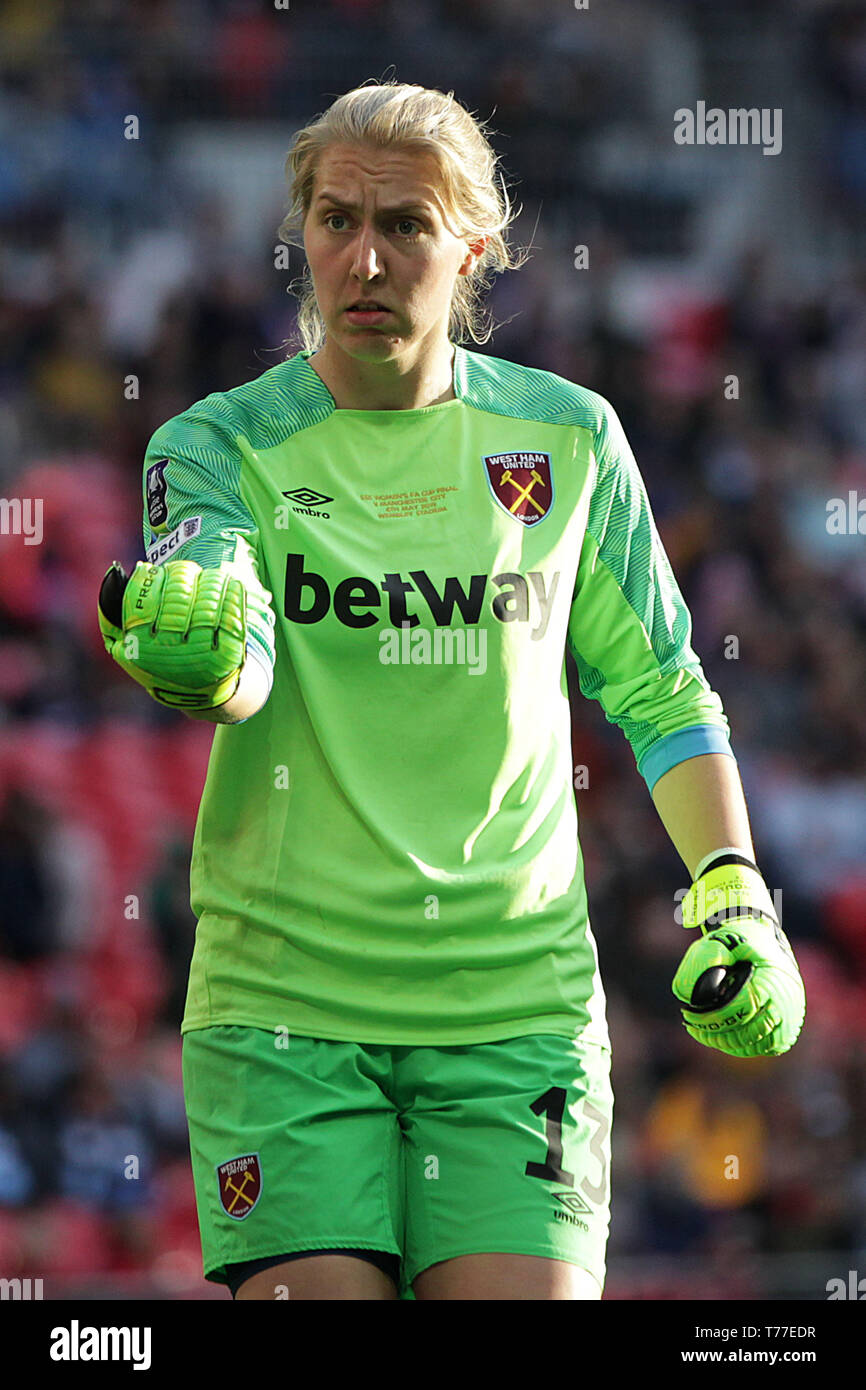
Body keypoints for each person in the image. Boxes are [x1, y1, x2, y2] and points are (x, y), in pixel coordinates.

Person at [97, 79, 806, 1301]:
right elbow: (235, 642)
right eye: (333, 220)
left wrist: (735, 890)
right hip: (285, 1010)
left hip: (515, 1008)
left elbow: (659, 686)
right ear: (301, 232)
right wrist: (201, 656)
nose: (362, 260)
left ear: (473, 245)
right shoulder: (214, 446)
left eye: (405, 226)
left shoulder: (568, 438)